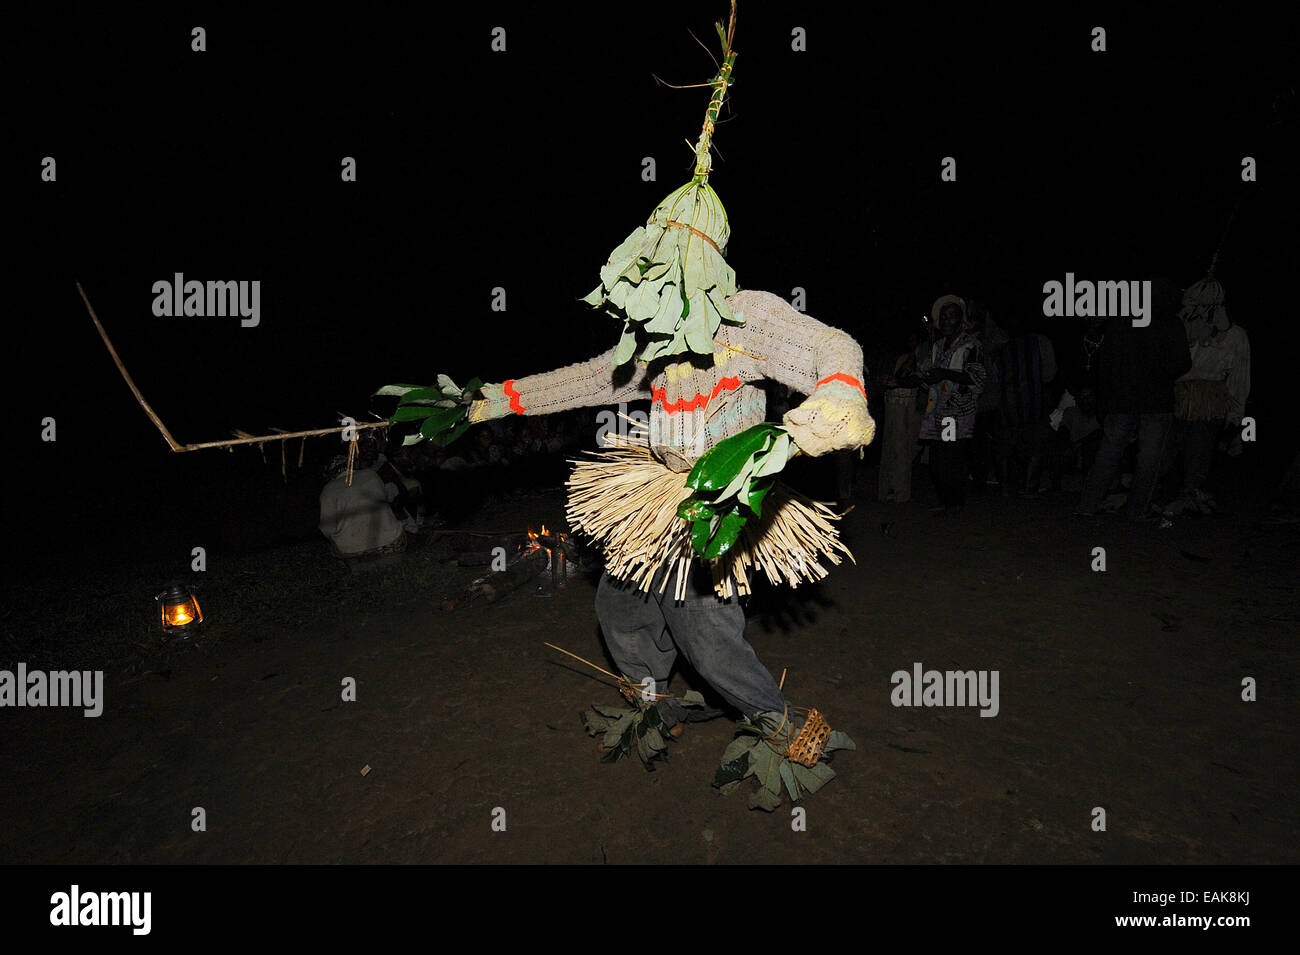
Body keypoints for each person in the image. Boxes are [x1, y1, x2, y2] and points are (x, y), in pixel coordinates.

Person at [1076, 275, 1191, 520]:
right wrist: (1159, 372)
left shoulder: (1120, 322)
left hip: (1121, 399)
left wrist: (1106, 395)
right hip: (1155, 400)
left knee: (1109, 451)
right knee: (1150, 455)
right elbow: (1182, 363)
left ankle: (1088, 504)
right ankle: (1137, 509)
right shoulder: (1170, 322)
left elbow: (1105, 364)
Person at [1165, 276, 1251, 514]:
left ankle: (1190, 495)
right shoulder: (1177, 327)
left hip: (1207, 402)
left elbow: (1239, 380)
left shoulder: (1235, 336)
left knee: (1199, 450)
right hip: (1172, 398)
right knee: (1165, 450)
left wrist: (1235, 418)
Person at [916, 295, 986, 510]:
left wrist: (943, 373)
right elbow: (929, 374)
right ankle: (947, 501)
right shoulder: (938, 345)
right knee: (938, 460)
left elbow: (976, 377)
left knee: (950, 459)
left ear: (960, 319)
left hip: (957, 411)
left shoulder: (970, 345)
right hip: (937, 410)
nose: (946, 321)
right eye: (943, 317)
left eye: (951, 317)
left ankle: (953, 503)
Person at [318, 436, 408, 564]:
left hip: (353, 553)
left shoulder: (328, 490)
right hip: (391, 545)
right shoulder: (371, 474)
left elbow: (327, 529)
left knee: (334, 544)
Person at [878, 330, 926, 502]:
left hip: (915, 406)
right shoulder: (904, 357)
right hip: (901, 405)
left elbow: (918, 378)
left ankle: (899, 490)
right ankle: (895, 490)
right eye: (909, 337)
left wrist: (898, 381)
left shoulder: (925, 353)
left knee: (905, 449)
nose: (911, 341)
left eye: (915, 337)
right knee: (898, 448)